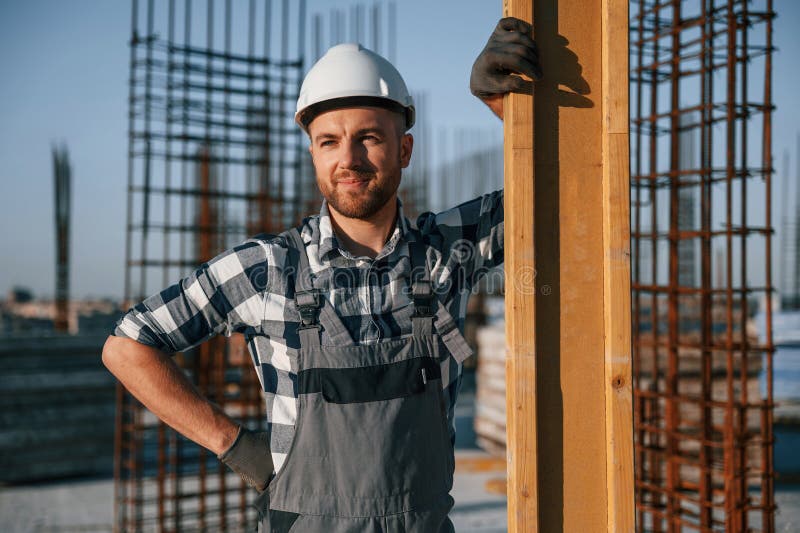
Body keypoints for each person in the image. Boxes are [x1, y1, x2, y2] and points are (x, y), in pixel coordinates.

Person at [103, 17, 540, 533]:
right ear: (313, 152)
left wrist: (503, 110)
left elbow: (550, 195)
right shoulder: (266, 269)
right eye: (329, 140)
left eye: (369, 137)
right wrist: (236, 447)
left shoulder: (447, 252)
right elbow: (128, 346)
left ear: (404, 149)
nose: (348, 159)